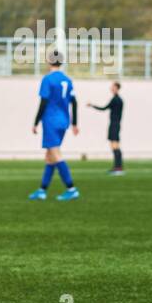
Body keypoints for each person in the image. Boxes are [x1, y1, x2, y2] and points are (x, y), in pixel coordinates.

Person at [30, 51, 80, 200]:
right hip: (64, 121)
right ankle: (42, 190)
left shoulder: (48, 79)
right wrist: (75, 123)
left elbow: (44, 102)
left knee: (56, 154)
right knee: (49, 157)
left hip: (51, 120)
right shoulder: (68, 80)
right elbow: (75, 103)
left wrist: (35, 122)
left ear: (49, 62)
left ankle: (71, 188)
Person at [88, 81, 124, 174]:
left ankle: (118, 168)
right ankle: (117, 167)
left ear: (116, 88)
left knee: (115, 145)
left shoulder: (116, 99)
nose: (111, 88)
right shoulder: (117, 99)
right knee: (114, 145)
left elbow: (104, 108)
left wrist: (92, 105)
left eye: (112, 86)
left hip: (114, 124)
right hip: (115, 124)